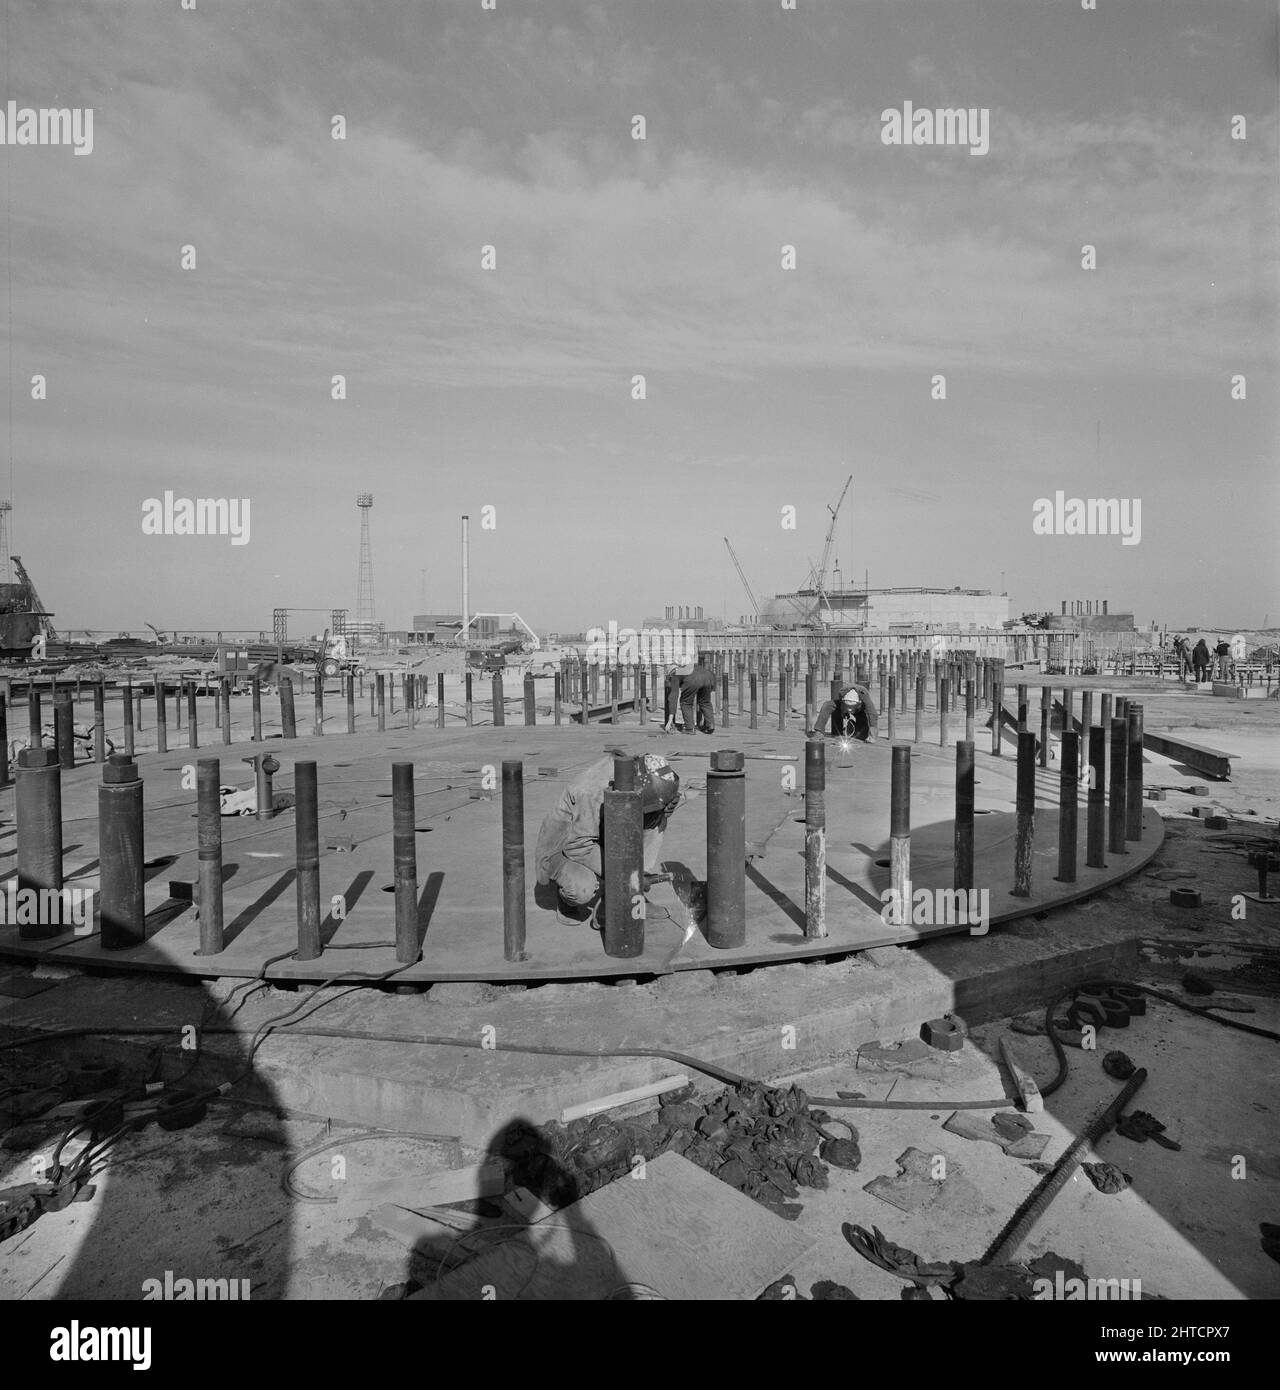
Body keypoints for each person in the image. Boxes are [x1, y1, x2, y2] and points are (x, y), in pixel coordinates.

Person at [535, 753, 682, 924]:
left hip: (597, 831)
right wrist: (628, 874)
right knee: (582, 890)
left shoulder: (634, 773)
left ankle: (633, 894)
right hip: (563, 848)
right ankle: (567, 899)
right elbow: (577, 846)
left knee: (655, 821)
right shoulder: (590, 790)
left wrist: (662, 808)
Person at [809, 682, 878, 741]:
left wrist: (873, 735)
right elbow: (833, 705)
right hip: (844, 705)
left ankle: (855, 729)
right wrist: (844, 712)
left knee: (862, 735)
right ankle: (819, 732)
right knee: (827, 705)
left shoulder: (864, 696)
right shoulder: (842, 693)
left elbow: (873, 714)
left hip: (860, 710)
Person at [664, 659, 715, 735]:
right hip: (709, 677)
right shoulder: (687, 665)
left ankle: (689, 728)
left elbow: (673, 696)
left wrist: (669, 720)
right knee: (705, 702)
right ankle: (710, 725)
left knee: (685, 703)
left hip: (693, 680)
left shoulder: (674, 673)